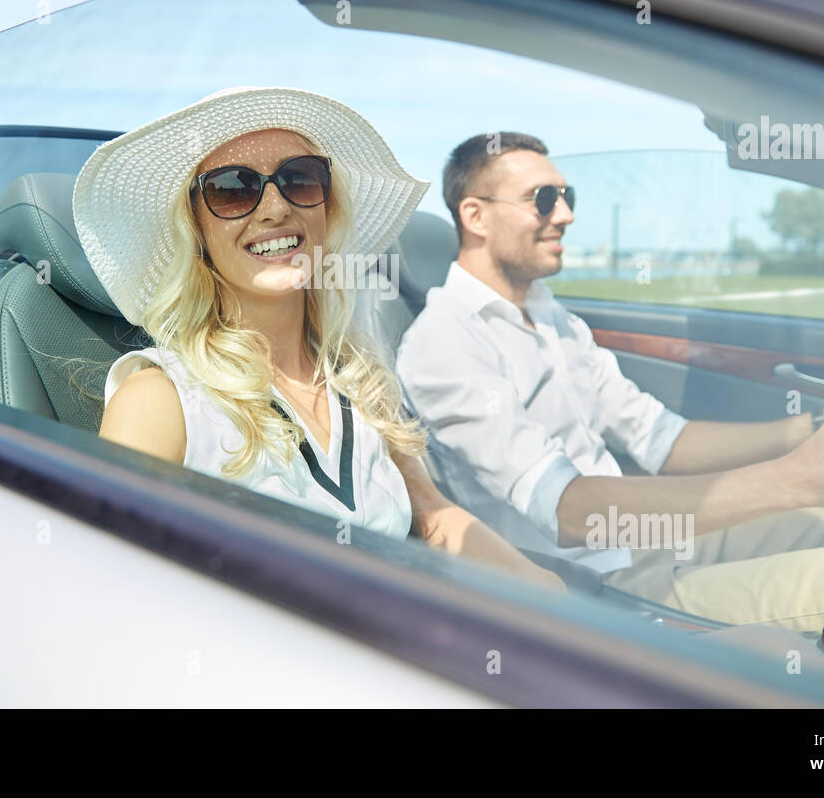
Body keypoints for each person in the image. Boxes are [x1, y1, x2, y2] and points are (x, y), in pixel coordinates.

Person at [396, 132, 824, 631]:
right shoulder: (443, 344)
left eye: (569, 198)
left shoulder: (550, 316)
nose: (564, 214)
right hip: (588, 586)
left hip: (647, 539)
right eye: (543, 198)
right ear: (475, 215)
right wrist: (798, 479)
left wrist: (815, 427)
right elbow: (566, 510)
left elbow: (663, 438)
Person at [73, 88, 560, 590]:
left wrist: (555, 594)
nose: (274, 207)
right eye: (232, 189)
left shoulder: (360, 379)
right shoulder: (160, 399)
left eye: (299, 180)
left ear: (327, 212)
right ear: (196, 233)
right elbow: (113, 589)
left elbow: (434, 519)